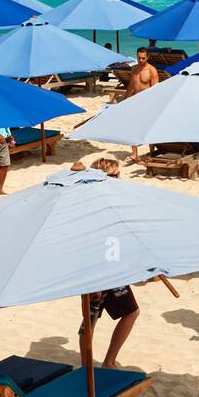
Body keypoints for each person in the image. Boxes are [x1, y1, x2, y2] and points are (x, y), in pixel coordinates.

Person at [76, 156, 141, 369]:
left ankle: (100, 363)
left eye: (118, 174)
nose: (118, 178)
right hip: (100, 272)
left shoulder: (107, 201)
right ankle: (100, 363)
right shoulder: (94, 207)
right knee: (92, 319)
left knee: (95, 319)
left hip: (110, 270)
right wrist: (93, 282)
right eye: (114, 175)